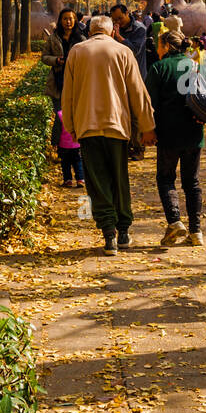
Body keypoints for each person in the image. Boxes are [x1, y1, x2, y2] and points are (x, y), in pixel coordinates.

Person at [61, 14, 155, 255]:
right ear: (112, 30)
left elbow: (68, 94)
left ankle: (108, 233)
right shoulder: (123, 52)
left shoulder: (77, 52)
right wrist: (147, 126)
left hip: (87, 127)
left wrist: (71, 126)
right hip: (117, 127)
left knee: (97, 181)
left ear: (91, 31)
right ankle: (123, 230)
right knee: (119, 178)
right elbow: (137, 91)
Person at [146, 16, 205, 246]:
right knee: (192, 182)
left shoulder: (159, 68)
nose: (157, 49)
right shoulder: (195, 66)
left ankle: (174, 222)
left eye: (159, 45)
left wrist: (147, 129)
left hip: (168, 134)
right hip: (194, 133)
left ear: (167, 46)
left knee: (166, 178)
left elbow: (148, 102)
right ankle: (196, 231)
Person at [42, 9, 85, 164]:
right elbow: (44, 57)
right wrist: (56, 60)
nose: (68, 21)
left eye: (71, 19)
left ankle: (76, 148)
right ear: (60, 20)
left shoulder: (81, 38)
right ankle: (57, 148)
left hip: (76, 83)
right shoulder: (53, 38)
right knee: (60, 118)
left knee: (76, 117)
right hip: (58, 83)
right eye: (65, 18)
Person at [110, 2, 149, 80]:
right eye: (114, 20)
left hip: (137, 74)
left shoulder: (139, 29)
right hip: (120, 74)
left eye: (120, 18)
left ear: (127, 13)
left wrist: (118, 37)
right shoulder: (113, 28)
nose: (118, 22)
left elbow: (134, 51)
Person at [54, 109, 85, 189]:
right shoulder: (78, 113)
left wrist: (54, 142)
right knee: (78, 162)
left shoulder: (60, 114)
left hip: (63, 145)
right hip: (76, 144)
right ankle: (80, 179)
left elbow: (57, 131)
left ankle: (68, 180)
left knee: (65, 163)